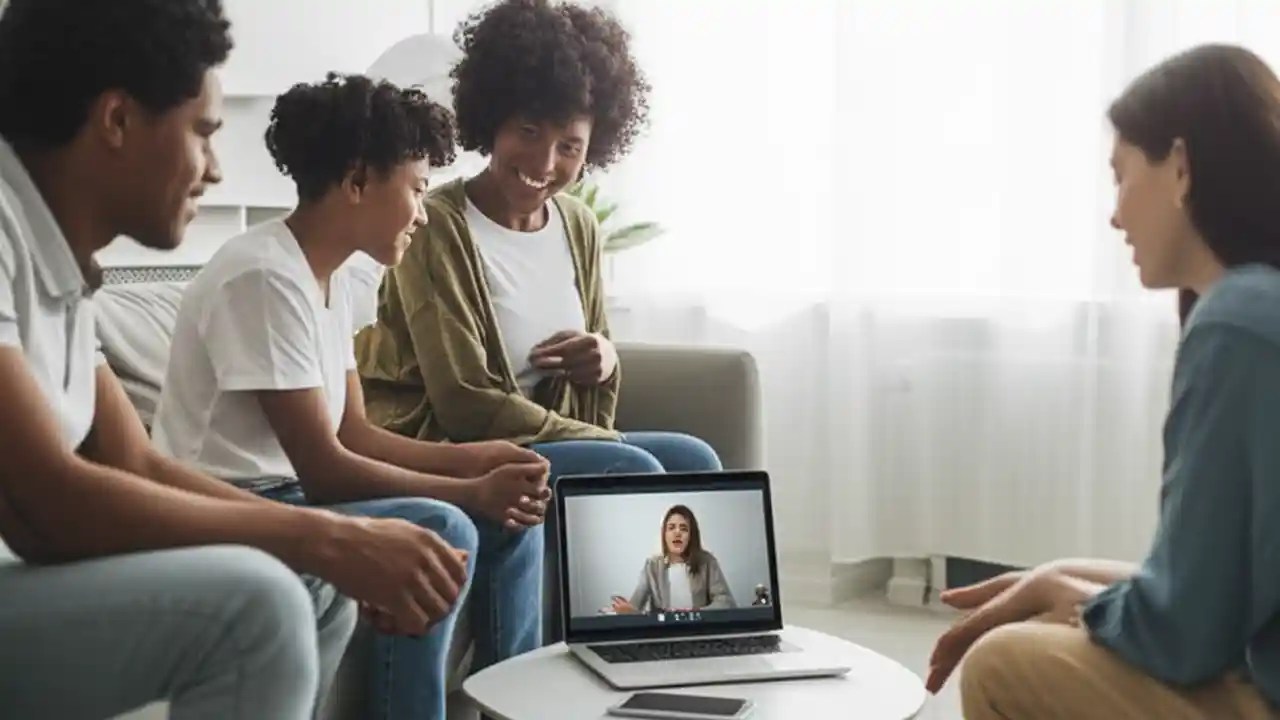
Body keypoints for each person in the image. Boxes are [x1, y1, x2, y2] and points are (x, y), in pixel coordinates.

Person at [0, 2, 468, 719]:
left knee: (315, 590)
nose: (215, 170)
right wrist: (325, 537)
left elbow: (134, 462)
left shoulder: (60, 264)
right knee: (262, 607)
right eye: (203, 134)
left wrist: (334, 543)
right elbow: (53, 500)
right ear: (118, 120)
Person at [150, 72, 550, 720]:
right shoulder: (263, 276)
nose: (423, 212)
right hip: (236, 497)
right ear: (359, 180)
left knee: (508, 521)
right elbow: (327, 470)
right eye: (417, 190)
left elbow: (355, 433)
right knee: (447, 523)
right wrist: (469, 490)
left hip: (295, 490)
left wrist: (483, 459)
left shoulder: (331, 279)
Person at [926, 44, 1280, 720]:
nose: (1115, 215)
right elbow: (1216, 587)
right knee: (1069, 599)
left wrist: (1084, 605)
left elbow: (1187, 631)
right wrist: (1055, 581)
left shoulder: (1236, 322)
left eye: (1120, 176)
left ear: (1180, 166)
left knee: (1005, 663)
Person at [353, 0, 723, 481]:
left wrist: (605, 359)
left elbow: (599, 350)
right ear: (492, 122)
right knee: (632, 465)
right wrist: (602, 442)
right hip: (454, 446)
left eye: (569, 146)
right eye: (528, 131)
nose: (545, 163)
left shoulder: (579, 225)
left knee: (697, 461)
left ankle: (685, 563)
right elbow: (463, 403)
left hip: (549, 438)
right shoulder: (436, 226)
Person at [612, 505, 734, 614]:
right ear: (664, 534)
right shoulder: (652, 566)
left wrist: (697, 613)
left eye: (683, 528)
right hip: (664, 635)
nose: (677, 533)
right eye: (671, 528)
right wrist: (628, 610)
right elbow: (636, 604)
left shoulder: (707, 562)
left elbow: (725, 602)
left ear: (691, 536)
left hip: (699, 632)